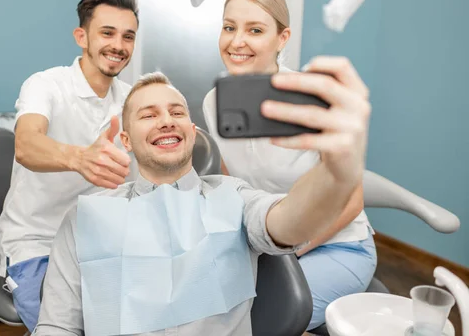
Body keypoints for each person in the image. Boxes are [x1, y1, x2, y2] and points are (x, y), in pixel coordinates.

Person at [34, 60, 372, 335]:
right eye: (149, 115)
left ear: (192, 133)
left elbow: (290, 221)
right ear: (126, 139)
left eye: (178, 113)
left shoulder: (233, 196)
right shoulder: (84, 221)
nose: (166, 121)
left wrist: (336, 171)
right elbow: (57, 326)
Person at [202, 0, 377, 331]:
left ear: (282, 38)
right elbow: (231, 179)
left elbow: (352, 202)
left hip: (336, 247)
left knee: (252, 321)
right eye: (228, 27)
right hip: (269, 243)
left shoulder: (310, 101)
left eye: (255, 30)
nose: (237, 41)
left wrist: (284, 251)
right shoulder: (214, 102)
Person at [0, 0, 140, 332]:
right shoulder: (46, 85)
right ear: (82, 36)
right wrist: (79, 158)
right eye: (107, 33)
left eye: (128, 37)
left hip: (102, 242)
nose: (118, 46)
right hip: (37, 244)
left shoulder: (130, 98)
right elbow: (27, 144)